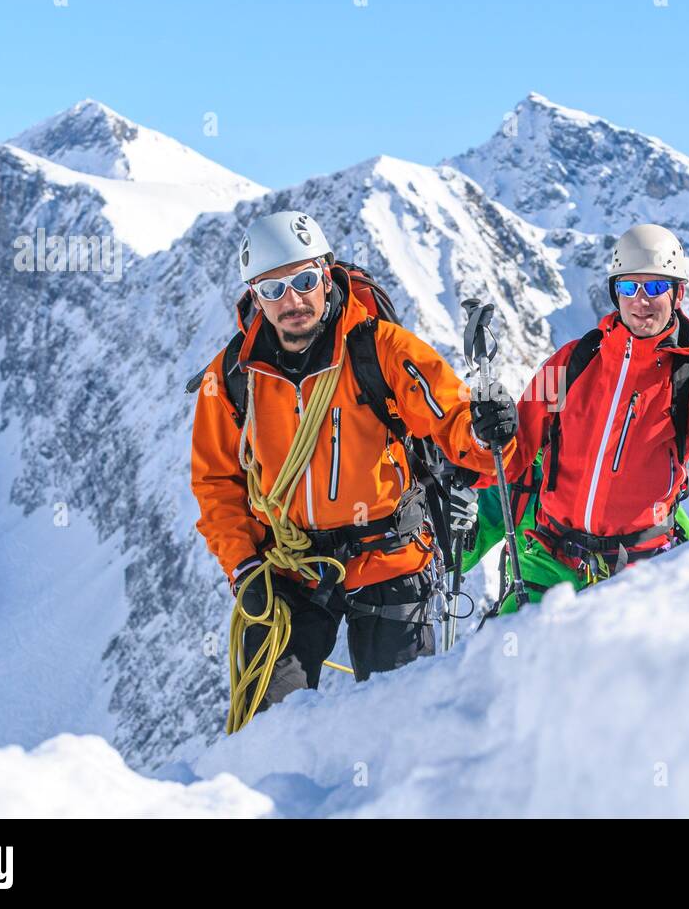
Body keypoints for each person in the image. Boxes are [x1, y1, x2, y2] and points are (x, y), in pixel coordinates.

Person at [190, 210, 517, 707]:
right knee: (266, 725)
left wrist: (489, 430)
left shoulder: (381, 350)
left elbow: (455, 427)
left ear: (326, 273)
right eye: (273, 289)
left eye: (303, 280)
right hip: (290, 569)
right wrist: (243, 568)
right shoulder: (233, 378)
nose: (293, 301)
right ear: (254, 296)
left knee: (401, 721)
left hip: (389, 559)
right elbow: (217, 483)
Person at [465, 223, 689, 611]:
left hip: (640, 569)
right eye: (630, 287)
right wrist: (489, 435)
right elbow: (513, 454)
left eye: (655, 287)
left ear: (678, 293)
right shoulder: (571, 362)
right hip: (550, 561)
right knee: (503, 661)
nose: (641, 300)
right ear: (616, 292)